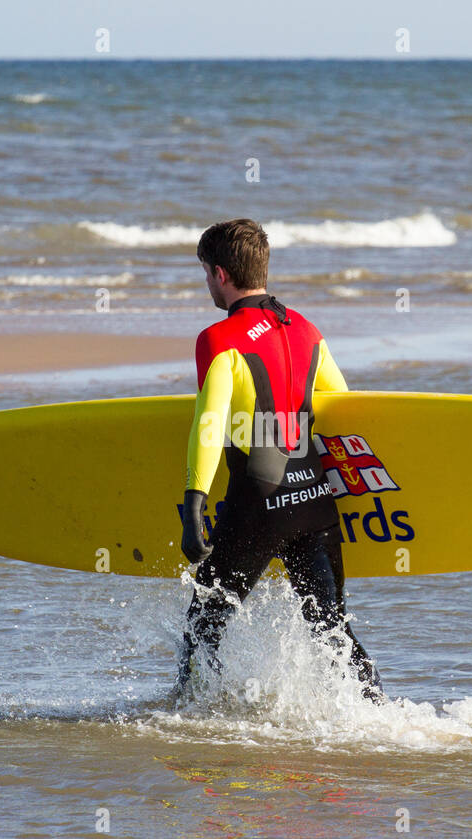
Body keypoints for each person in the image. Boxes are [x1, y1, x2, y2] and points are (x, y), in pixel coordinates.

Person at [175, 218, 383, 703]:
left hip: (258, 501)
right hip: (316, 501)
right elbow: (339, 405)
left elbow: (209, 423)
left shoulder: (218, 340)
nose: (207, 283)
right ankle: (378, 717)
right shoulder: (308, 330)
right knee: (332, 630)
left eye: (206, 273)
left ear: (221, 274)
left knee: (203, 628)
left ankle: (190, 723)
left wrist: (193, 505)